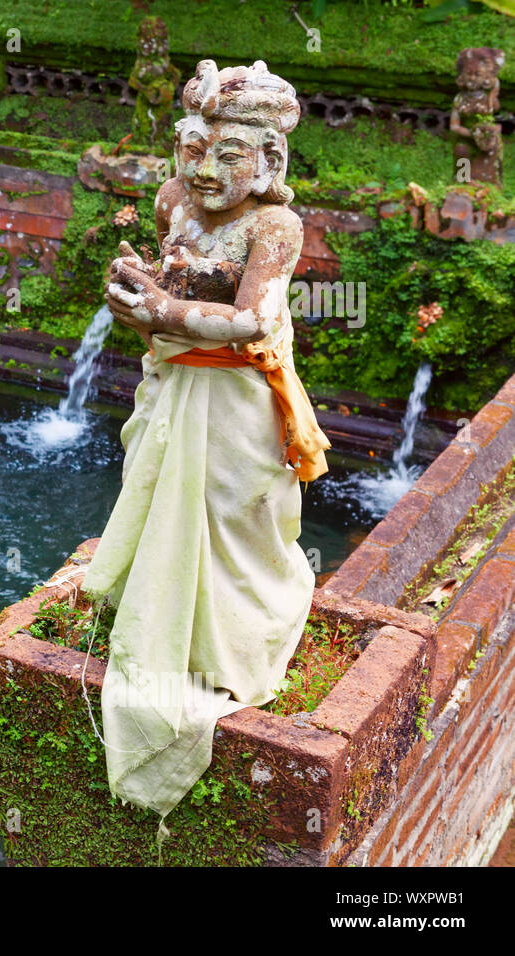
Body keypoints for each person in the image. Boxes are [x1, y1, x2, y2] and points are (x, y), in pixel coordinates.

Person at [85, 59, 331, 830]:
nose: (205, 170)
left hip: (238, 396)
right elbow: (174, 287)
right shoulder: (171, 202)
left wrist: (162, 308)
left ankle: (231, 634)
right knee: (154, 483)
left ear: (270, 162)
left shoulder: (274, 226)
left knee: (238, 505)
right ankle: (158, 606)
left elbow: (254, 320)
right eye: (195, 150)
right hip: (173, 382)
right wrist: (137, 296)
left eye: (229, 156)